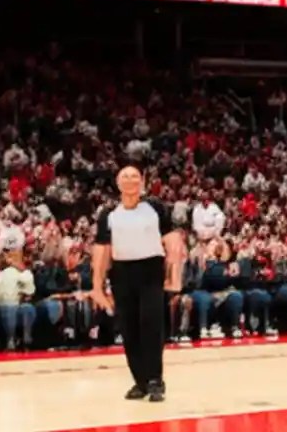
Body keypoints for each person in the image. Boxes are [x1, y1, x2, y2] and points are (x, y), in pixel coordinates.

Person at [92, 166, 184, 403]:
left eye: (135, 176)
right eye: (125, 176)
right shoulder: (108, 213)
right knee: (129, 328)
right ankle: (140, 381)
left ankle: (155, 380)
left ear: (142, 181)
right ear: (117, 182)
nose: (130, 180)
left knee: (151, 324)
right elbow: (102, 250)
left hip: (151, 270)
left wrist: (175, 277)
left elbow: (173, 242)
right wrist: (97, 285)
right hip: (122, 273)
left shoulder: (155, 207)